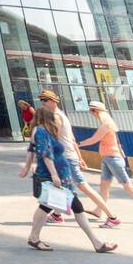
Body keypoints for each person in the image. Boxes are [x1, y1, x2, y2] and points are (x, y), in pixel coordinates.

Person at [21, 106, 116, 253]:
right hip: (53, 176)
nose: (56, 121)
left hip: (60, 176)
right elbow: (44, 153)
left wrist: (27, 167)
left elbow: (31, 149)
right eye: (54, 118)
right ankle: (97, 243)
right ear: (47, 118)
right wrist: (54, 175)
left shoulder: (44, 131)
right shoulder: (40, 131)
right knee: (57, 206)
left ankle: (34, 238)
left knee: (47, 206)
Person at [37, 90, 117, 225]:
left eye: (44, 100)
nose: (42, 103)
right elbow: (72, 139)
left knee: (83, 186)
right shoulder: (62, 115)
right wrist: (79, 158)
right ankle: (57, 214)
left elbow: (53, 138)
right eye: (41, 100)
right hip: (69, 156)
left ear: (52, 101)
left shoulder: (56, 116)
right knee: (61, 187)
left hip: (65, 157)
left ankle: (112, 217)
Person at [77, 100, 133, 226]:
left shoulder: (106, 125)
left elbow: (93, 139)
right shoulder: (107, 124)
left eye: (93, 110)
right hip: (107, 159)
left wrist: (77, 144)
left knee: (128, 188)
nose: (92, 113)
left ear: (98, 111)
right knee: (104, 187)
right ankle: (98, 210)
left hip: (113, 160)